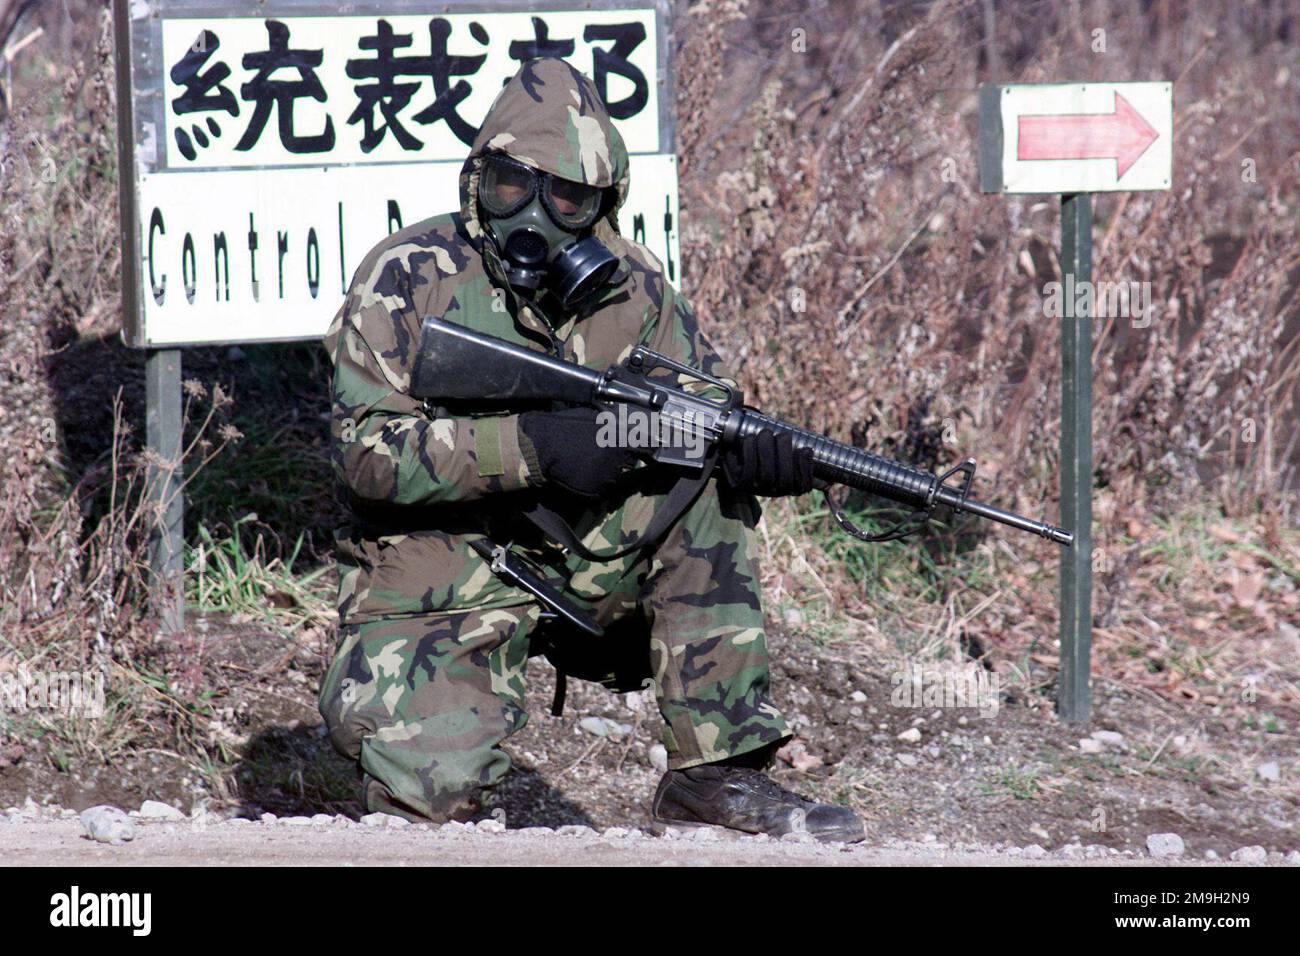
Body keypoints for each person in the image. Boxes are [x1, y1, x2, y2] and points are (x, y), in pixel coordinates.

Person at [318, 57, 863, 843]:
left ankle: (713, 774)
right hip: (436, 575)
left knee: (710, 481)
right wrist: (535, 445)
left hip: (584, 562)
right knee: (430, 807)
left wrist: (754, 455)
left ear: (602, 208)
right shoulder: (409, 278)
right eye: (513, 185)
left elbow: (701, 412)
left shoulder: (635, 289)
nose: (535, 214)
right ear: (479, 180)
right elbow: (366, 456)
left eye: (568, 197)